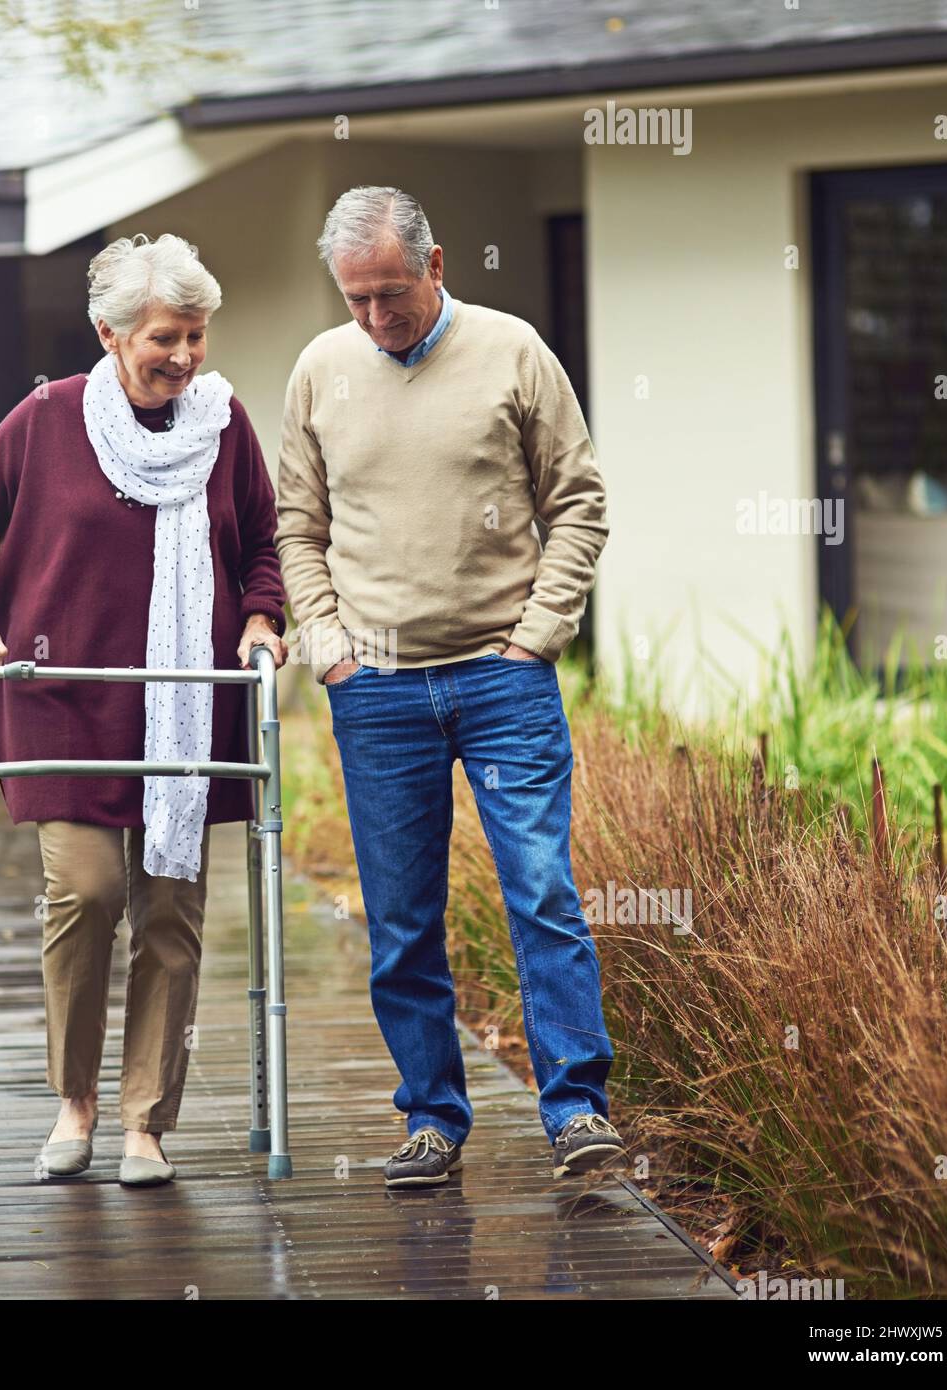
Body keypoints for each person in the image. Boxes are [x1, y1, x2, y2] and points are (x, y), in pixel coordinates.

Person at [274, 186, 627, 1187]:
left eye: (392, 292)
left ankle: (575, 1109)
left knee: (542, 890)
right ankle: (432, 1115)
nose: (377, 318)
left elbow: (579, 502)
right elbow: (297, 526)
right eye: (356, 300)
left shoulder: (514, 352)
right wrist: (329, 646)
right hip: (375, 689)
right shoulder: (318, 370)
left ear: (435, 267)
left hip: (501, 678)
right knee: (399, 919)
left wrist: (537, 637)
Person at [0, 233, 288, 1186]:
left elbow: (264, 545)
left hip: (186, 711)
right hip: (67, 707)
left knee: (170, 910)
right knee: (85, 895)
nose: (185, 356)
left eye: (198, 335)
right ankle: (73, 1104)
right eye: (166, 336)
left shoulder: (222, 423)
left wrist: (260, 619)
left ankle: (144, 1125)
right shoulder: (47, 420)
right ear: (110, 334)